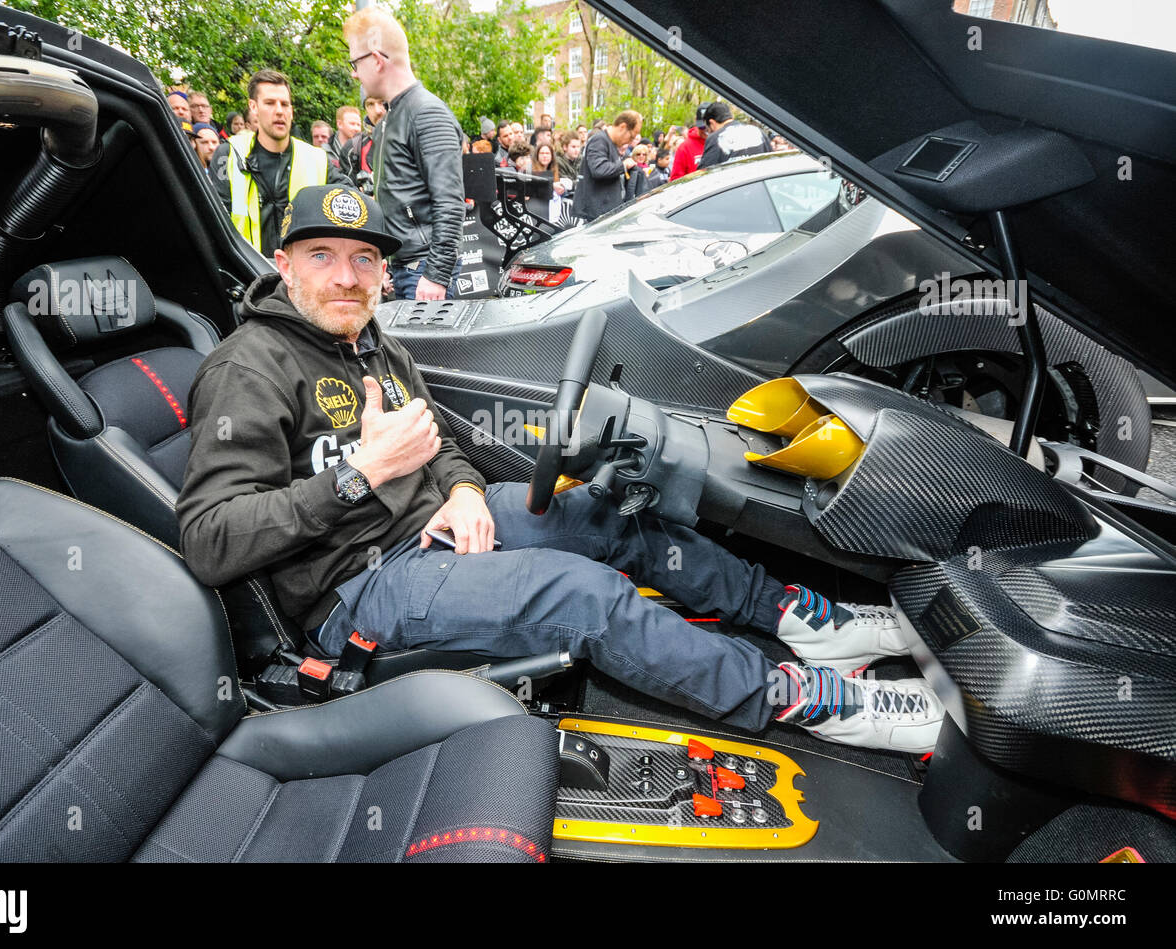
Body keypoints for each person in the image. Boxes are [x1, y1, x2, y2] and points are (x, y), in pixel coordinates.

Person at [175, 183, 946, 755]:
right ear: (284, 265)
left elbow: (439, 444)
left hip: (435, 526)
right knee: (582, 594)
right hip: (353, 589)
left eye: (364, 259)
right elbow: (209, 541)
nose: (347, 277)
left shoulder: (375, 344)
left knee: (613, 512)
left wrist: (464, 488)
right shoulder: (249, 368)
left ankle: (798, 620)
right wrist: (361, 474)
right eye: (323, 256)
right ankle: (804, 698)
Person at [344, 7, 465, 301]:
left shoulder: (427, 114)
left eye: (355, 62)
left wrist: (436, 275)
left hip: (424, 270)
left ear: (377, 60)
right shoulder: (390, 119)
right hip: (407, 269)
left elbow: (450, 203)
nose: (353, 72)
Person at [208, 69, 337, 257]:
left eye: (284, 104)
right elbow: (216, 220)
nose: (279, 111)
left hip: (302, 269)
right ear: (253, 107)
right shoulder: (229, 154)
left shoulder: (317, 158)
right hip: (247, 267)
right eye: (269, 103)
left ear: (291, 111)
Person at [572, 109, 642, 222]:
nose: (630, 142)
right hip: (596, 216)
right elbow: (599, 169)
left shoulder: (610, 143)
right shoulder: (599, 140)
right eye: (631, 137)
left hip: (606, 213)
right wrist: (623, 165)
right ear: (623, 127)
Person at [699, 102, 768, 169]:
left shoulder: (716, 138)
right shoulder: (757, 131)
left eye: (709, 130)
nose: (709, 132)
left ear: (712, 123)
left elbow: (705, 171)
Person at [670, 103, 710, 181]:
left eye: (708, 126)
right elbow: (675, 180)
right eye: (701, 127)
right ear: (695, 120)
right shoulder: (684, 148)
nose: (705, 131)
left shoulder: (721, 142)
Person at [330, 104, 363, 183]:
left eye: (358, 125)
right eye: (352, 124)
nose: (356, 129)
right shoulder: (326, 150)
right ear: (339, 124)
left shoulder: (364, 150)